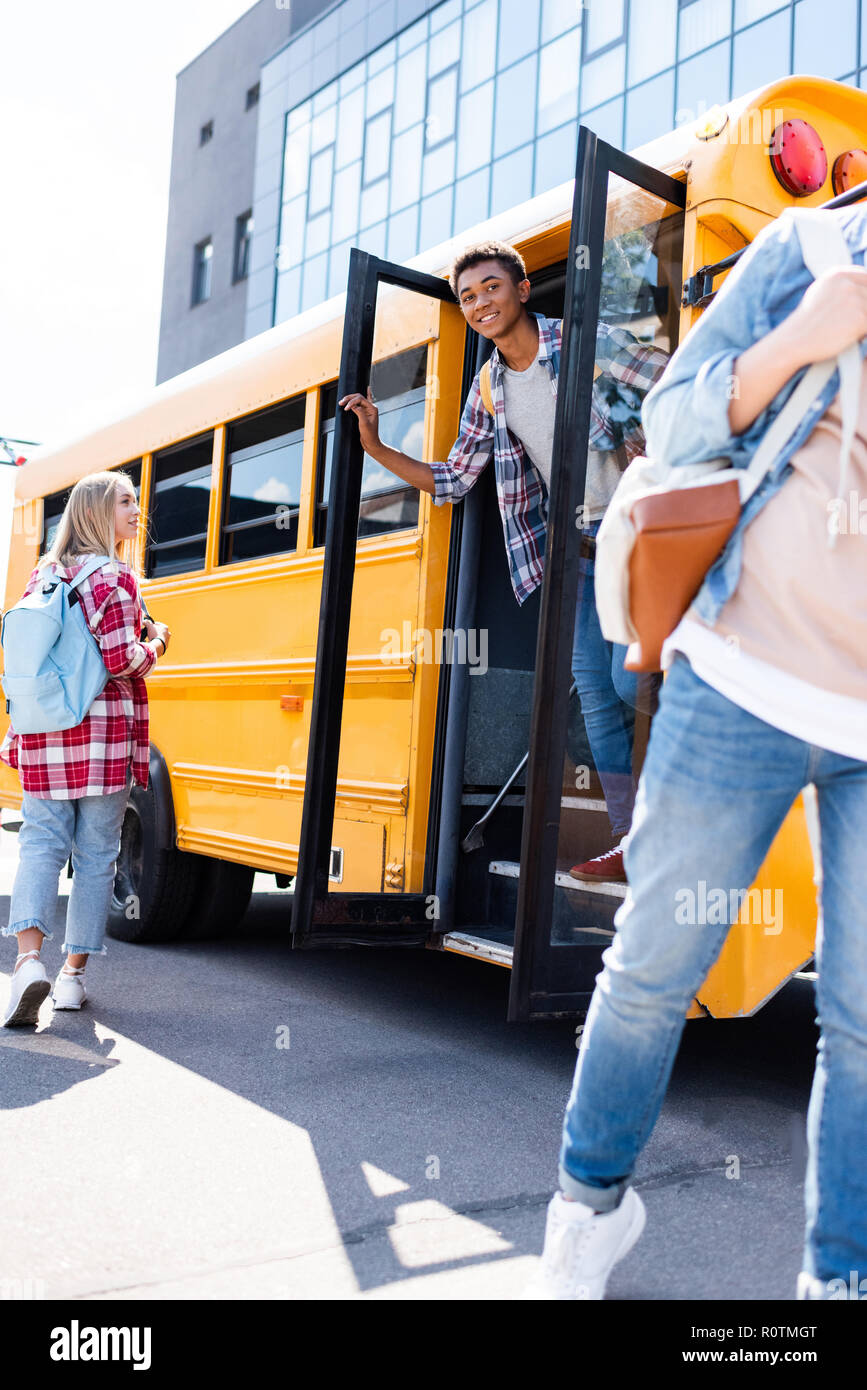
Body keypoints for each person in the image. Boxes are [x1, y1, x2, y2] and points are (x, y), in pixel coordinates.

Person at [524, 203, 867, 1301]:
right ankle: (589, 1207)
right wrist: (798, 342)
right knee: (653, 971)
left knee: (862, 1025)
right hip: (742, 678)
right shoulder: (815, 250)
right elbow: (670, 423)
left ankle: (838, 1274)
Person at [339, 239, 667, 881]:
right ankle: (633, 841)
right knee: (598, 699)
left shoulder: (582, 343)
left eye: (491, 287)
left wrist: (653, 456)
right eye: (467, 296)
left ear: (520, 289)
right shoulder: (490, 387)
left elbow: (672, 382)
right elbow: (456, 478)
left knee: (633, 682)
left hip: (636, 534)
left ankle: (682, 805)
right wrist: (374, 445)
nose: (479, 302)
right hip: (572, 553)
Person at [1, 471, 170, 1026]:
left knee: (41, 844)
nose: (135, 512)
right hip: (98, 737)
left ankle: (28, 963)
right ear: (98, 511)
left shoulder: (43, 575)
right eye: (125, 502)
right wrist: (159, 641)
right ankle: (71, 978)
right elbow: (123, 660)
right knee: (97, 855)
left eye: (137, 502)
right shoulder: (115, 578)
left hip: (45, 733)